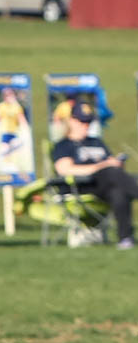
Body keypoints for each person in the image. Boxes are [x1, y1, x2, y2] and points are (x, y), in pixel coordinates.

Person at [52, 102, 138, 250]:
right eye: (82, 121)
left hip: (106, 184)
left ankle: (125, 239)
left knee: (118, 192)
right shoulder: (63, 145)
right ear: (71, 120)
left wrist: (115, 163)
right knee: (111, 173)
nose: (85, 125)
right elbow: (65, 169)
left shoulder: (96, 141)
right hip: (81, 187)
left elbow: (110, 164)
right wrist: (102, 166)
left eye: (88, 121)